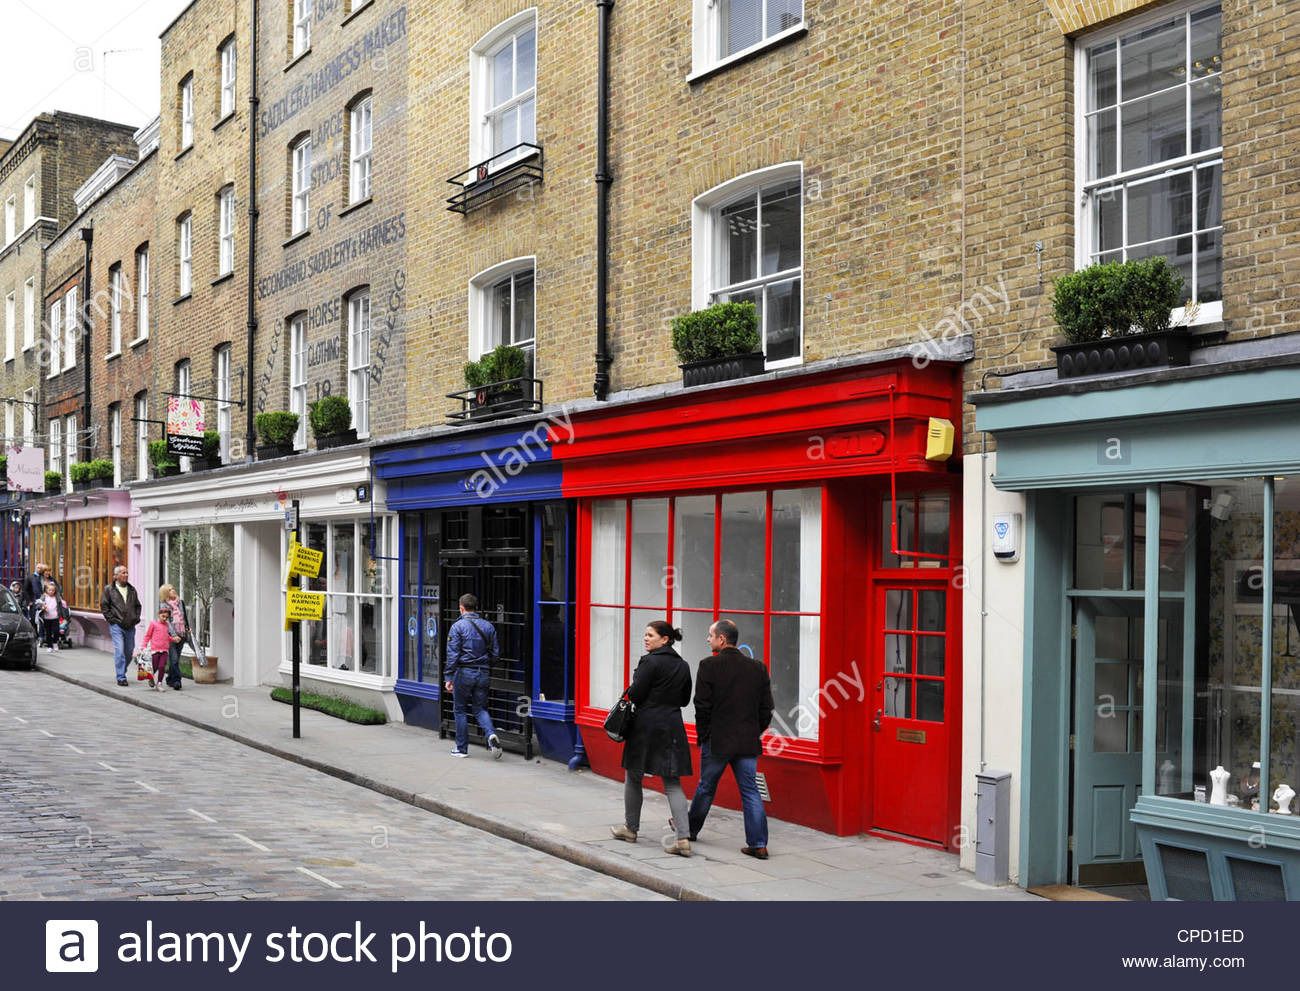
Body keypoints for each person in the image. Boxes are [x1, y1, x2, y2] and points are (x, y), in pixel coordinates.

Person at [685, 619, 774, 859]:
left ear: (721, 640)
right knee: (750, 791)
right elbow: (767, 709)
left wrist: (703, 735)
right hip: (746, 741)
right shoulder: (758, 668)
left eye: (710, 635)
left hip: (718, 740)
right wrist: (754, 731)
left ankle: (690, 830)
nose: (707, 639)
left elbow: (701, 705)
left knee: (706, 787)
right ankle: (758, 844)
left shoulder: (708, 665)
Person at [610, 621, 694, 857]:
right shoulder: (683, 665)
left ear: (665, 639)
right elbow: (685, 699)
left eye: (650, 635)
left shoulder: (649, 661)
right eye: (645, 634)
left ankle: (630, 829)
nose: (645, 638)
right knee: (673, 782)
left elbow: (635, 694)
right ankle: (683, 839)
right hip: (672, 725)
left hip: (645, 726)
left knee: (634, 776)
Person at [443, 593, 502, 760]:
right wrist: (485, 665)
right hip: (483, 672)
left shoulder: (457, 627)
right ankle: (491, 736)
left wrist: (449, 677)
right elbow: (496, 653)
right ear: (475, 608)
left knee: (460, 709)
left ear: (461, 608)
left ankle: (461, 748)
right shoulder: (488, 626)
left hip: (464, 672)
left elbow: (453, 654)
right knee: (480, 708)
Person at [100, 565, 142, 687]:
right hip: (117, 625)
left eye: (127, 573)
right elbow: (104, 606)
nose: (126, 575)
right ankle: (121, 677)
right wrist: (112, 620)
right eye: (123, 573)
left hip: (130, 625)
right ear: (116, 575)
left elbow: (138, 606)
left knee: (129, 652)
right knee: (120, 651)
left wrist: (136, 618)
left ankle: (122, 669)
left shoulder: (132, 589)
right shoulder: (109, 589)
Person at [140, 604, 178, 692]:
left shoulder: (166, 625)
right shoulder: (153, 624)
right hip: (155, 650)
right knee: (155, 666)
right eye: (163, 616)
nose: (164, 618)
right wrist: (144, 646)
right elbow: (147, 636)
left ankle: (159, 683)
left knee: (162, 667)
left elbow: (166, 636)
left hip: (164, 650)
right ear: (158, 615)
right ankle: (150, 677)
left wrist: (173, 639)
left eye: (166, 617)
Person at [159, 583, 187, 690]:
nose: (173, 590)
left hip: (182, 634)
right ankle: (176, 680)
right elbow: (167, 622)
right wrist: (174, 635)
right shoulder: (164, 605)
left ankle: (170, 678)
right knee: (174, 658)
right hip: (170, 636)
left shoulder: (180, 602)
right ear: (166, 593)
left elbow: (184, 618)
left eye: (173, 589)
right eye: (170, 590)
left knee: (176, 659)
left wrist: (188, 628)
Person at [36, 580, 65, 653]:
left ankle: (55, 643)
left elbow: (61, 607)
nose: (51, 591)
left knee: (56, 631)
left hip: (55, 617)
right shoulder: (44, 596)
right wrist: (42, 607)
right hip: (46, 618)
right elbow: (38, 605)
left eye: (53, 590)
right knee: (48, 632)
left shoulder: (57, 597)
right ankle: (49, 646)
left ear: (55, 591)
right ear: (46, 590)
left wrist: (62, 616)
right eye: (50, 590)